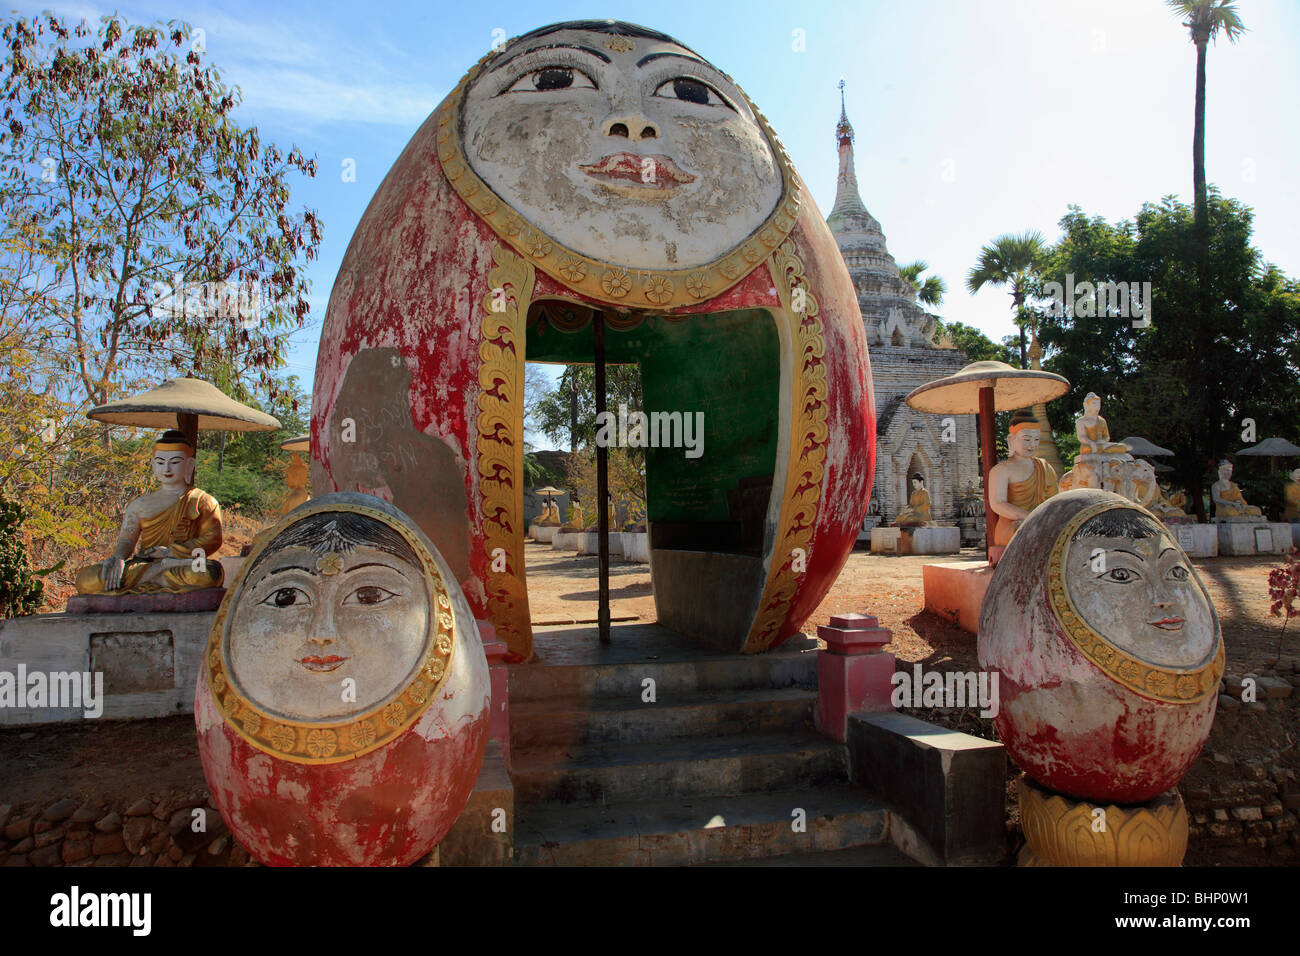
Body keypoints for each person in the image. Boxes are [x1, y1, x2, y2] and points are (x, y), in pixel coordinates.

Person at [74, 430, 223, 594]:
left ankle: (156, 576)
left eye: (175, 462)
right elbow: (127, 541)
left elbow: (212, 540)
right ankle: (158, 578)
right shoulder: (139, 504)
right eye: (160, 462)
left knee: (209, 573)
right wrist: (118, 558)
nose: (166, 468)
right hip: (144, 565)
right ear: (153, 465)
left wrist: (171, 552)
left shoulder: (202, 501)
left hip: (182, 563)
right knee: (86, 579)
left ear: (189, 464)